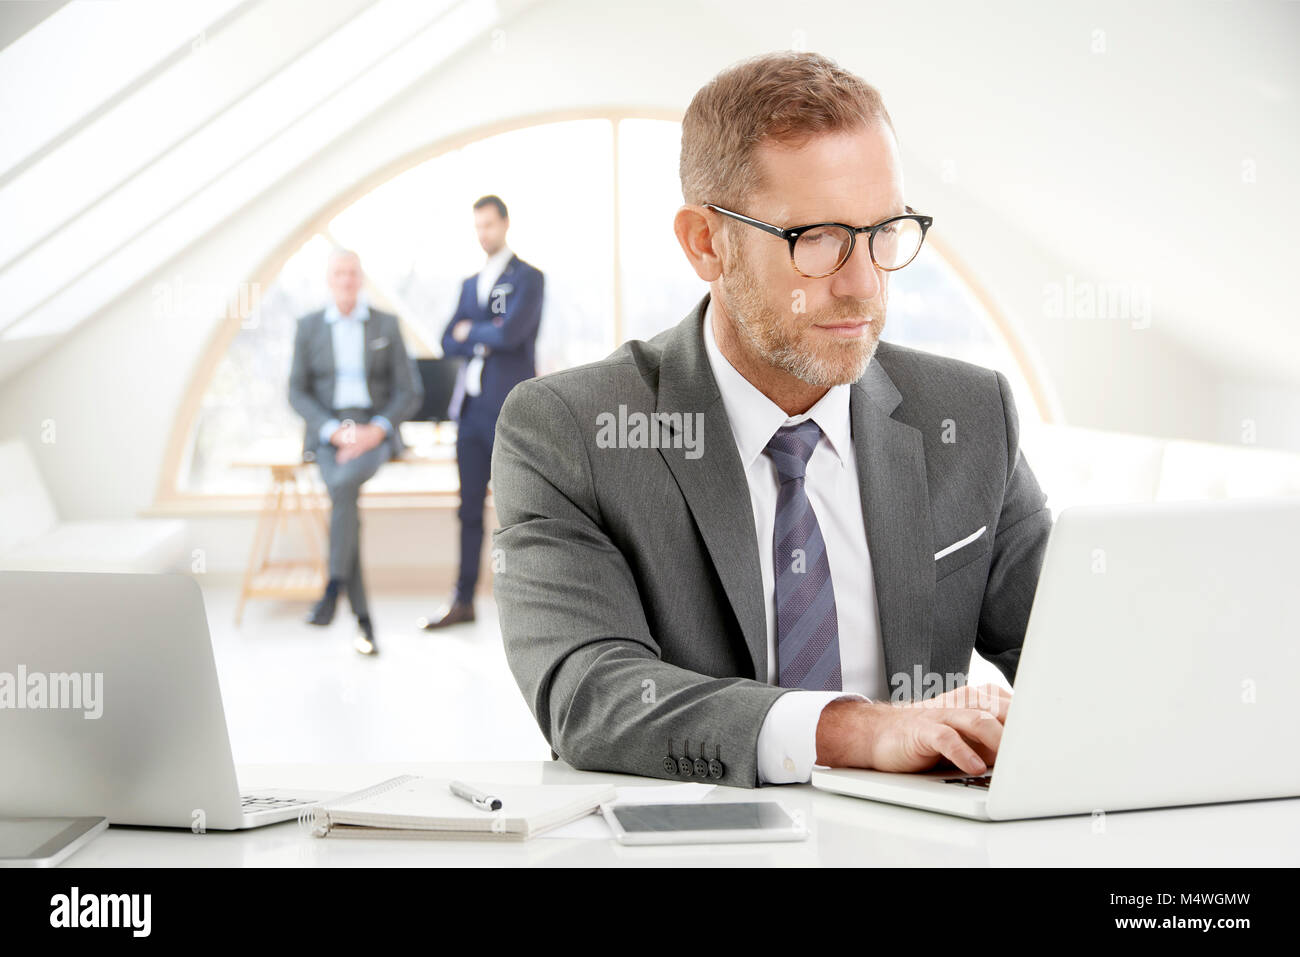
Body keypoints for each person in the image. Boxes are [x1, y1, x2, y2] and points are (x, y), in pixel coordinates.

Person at [491, 51, 1053, 786]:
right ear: (705, 243)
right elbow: (591, 693)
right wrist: (855, 730)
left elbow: (1078, 657)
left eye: (885, 230)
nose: (863, 286)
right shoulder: (569, 430)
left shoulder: (971, 415)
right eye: (816, 239)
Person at [288, 248, 422, 656]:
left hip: (373, 430)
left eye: (352, 273)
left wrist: (374, 431)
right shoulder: (308, 326)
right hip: (328, 433)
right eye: (339, 274)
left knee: (343, 487)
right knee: (346, 501)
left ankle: (332, 588)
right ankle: (363, 622)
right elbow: (296, 391)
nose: (346, 280)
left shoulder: (386, 324)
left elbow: (410, 391)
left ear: (360, 278)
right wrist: (334, 432)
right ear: (330, 280)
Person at [419, 196, 544, 630]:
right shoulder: (470, 284)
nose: (483, 234)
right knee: (468, 507)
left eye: (489, 225)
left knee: (519, 510)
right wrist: (482, 335)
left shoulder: (528, 278)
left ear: (505, 224)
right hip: (469, 412)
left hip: (508, 412)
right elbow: (444, 341)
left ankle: (529, 607)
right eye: (477, 227)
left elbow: (512, 333)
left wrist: (471, 330)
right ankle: (463, 599)